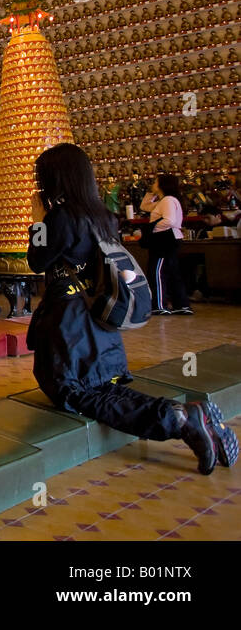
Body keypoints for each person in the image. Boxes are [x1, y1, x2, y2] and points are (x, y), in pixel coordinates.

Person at [27, 144, 236, 474]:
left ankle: (179, 419)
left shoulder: (61, 218)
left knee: (76, 392)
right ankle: (188, 416)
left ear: (56, 179)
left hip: (69, 323)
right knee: (101, 389)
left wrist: (39, 221)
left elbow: (37, 261)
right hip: (100, 318)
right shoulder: (101, 216)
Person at [140, 173, 190, 314]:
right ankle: (181, 304)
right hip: (170, 238)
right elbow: (144, 206)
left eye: (155, 182)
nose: (153, 184)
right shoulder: (164, 201)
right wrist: (151, 192)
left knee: (157, 271)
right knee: (172, 272)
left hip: (164, 239)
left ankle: (159, 305)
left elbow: (169, 220)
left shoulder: (167, 200)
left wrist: (152, 228)